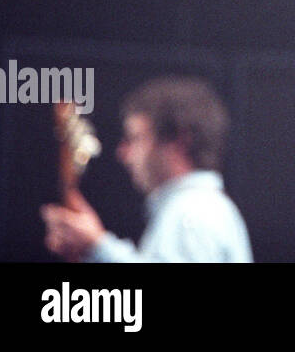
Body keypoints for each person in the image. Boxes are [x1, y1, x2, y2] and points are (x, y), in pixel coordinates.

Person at [41, 76, 252, 262]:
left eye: (135, 138)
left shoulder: (193, 213)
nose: (123, 153)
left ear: (179, 141)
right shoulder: (198, 209)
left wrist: (98, 247)